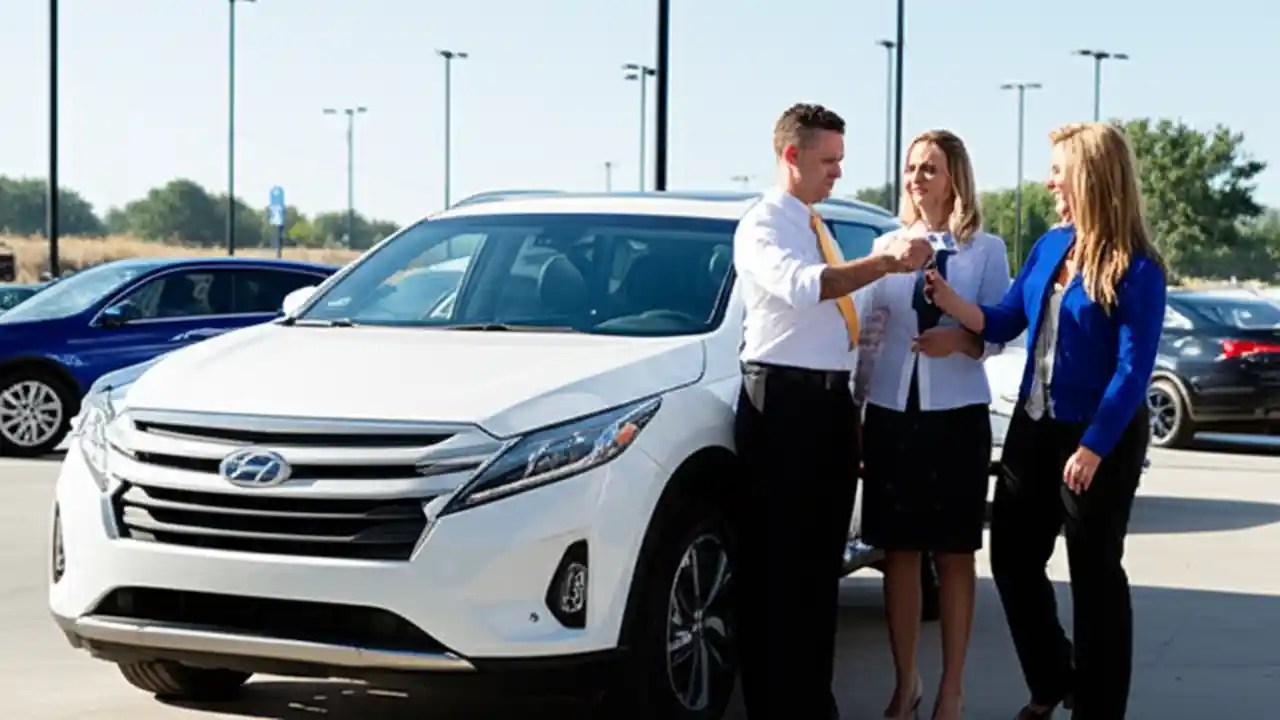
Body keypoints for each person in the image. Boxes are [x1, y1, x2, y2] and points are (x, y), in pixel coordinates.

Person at [924, 122, 1166, 720]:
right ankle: (1055, 677)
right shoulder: (1049, 246)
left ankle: (1099, 706)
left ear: (1089, 176)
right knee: (1010, 558)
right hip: (1034, 427)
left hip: (1097, 436)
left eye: (1058, 170)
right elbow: (1006, 321)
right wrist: (954, 311)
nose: (1048, 180)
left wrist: (1093, 448)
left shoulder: (1139, 267)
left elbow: (1133, 373)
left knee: (1095, 575)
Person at [732, 102, 932, 719]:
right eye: (829, 160)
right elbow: (806, 285)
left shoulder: (816, 224)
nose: (838, 172)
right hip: (782, 406)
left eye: (841, 160)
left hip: (827, 409)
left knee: (820, 573)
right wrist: (885, 262)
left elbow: (847, 313)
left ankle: (813, 704)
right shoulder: (763, 225)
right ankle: (776, 704)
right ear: (791, 157)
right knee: (777, 572)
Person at [853, 129, 1010, 720]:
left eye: (930, 169)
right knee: (898, 552)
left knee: (953, 553)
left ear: (955, 179)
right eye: (912, 168)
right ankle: (906, 684)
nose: (917, 179)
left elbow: (1000, 329)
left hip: (957, 418)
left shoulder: (985, 250)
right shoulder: (886, 244)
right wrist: (858, 409)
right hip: (893, 416)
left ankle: (951, 689)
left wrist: (964, 341)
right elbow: (868, 337)